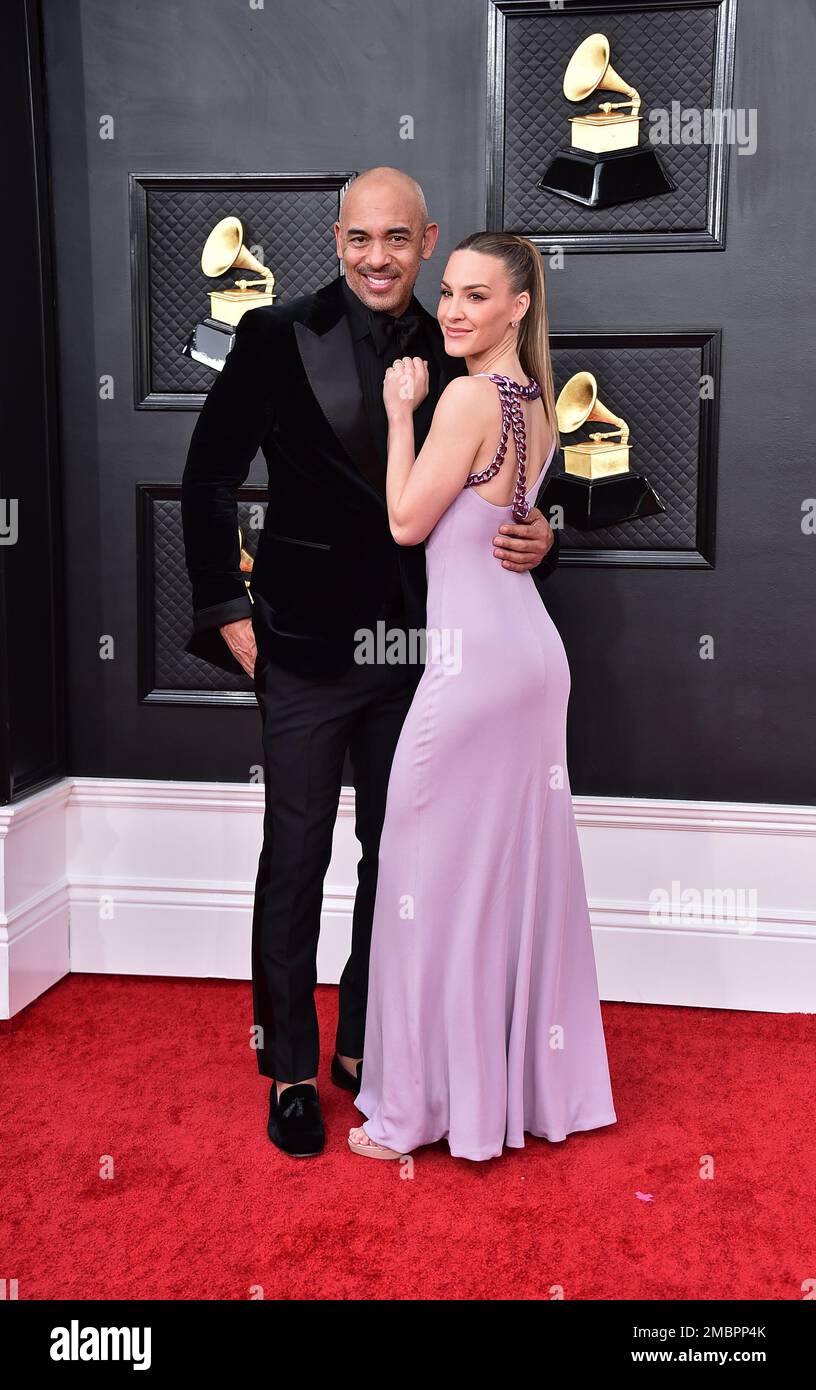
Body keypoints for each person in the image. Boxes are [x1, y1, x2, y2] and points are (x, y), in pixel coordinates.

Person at [180, 169, 559, 1159]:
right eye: (361, 238)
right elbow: (208, 475)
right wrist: (226, 605)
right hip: (302, 644)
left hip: (425, 652)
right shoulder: (272, 335)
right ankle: (293, 1071)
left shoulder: (458, 338)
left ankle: (367, 1043)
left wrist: (538, 530)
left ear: (427, 240)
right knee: (295, 859)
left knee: (400, 865)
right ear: (337, 234)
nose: (380, 257)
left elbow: (495, 479)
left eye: (399, 239)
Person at [348, 231, 617, 1162]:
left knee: (427, 880)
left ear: (518, 307)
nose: (453, 310)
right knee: (508, 880)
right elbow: (510, 521)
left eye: (475, 295)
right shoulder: (538, 403)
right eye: (449, 293)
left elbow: (405, 521)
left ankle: (418, 1111)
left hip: (473, 671)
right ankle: (512, 1093)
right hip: (532, 660)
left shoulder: (462, 396)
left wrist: (397, 414)